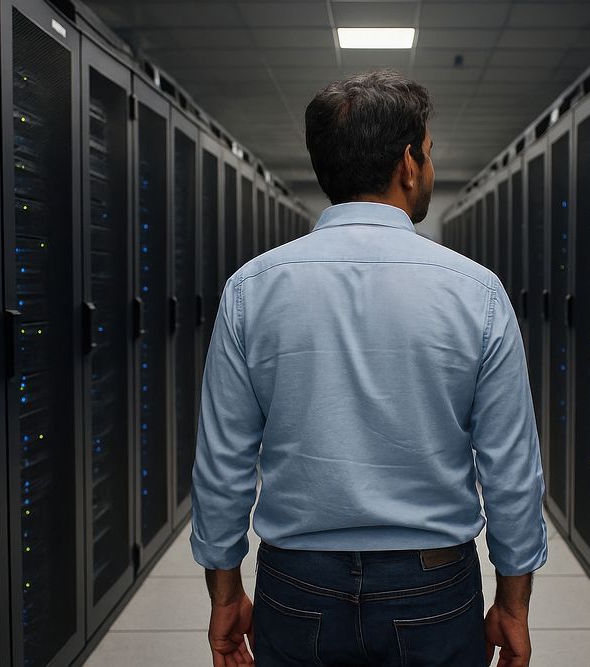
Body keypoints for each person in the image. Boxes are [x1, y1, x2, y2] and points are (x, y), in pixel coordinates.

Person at [190, 69, 547, 667]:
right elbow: (511, 469)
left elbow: (222, 461)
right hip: (433, 588)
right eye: (429, 155)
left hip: (297, 587)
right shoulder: (476, 292)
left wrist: (224, 592)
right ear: (408, 164)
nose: (429, 168)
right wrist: (513, 603)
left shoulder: (252, 289)